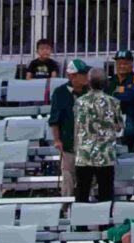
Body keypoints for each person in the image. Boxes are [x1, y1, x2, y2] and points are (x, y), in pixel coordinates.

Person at [73, 68, 123, 202]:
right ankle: (105, 222)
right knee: (106, 194)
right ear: (106, 83)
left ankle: (80, 222)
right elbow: (119, 127)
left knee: (82, 193)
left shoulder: (80, 102)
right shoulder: (114, 102)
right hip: (105, 155)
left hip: (84, 154)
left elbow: (78, 125)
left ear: (89, 82)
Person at [49, 59, 90, 198]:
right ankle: (65, 208)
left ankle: (87, 207)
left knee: (87, 179)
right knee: (68, 179)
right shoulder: (60, 93)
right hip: (68, 143)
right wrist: (57, 139)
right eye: (82, 74)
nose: (86, 76)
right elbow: (54, 119)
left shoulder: (90, 91)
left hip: (88, 145)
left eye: (86, 73)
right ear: (72, 76)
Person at [109, 50, 134, 147]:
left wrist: (114, 96)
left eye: (125, 63)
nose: (122, 66)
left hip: (132, 120)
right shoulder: (110, 81)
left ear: (132, 64)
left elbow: (130, 96)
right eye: (119, 63)